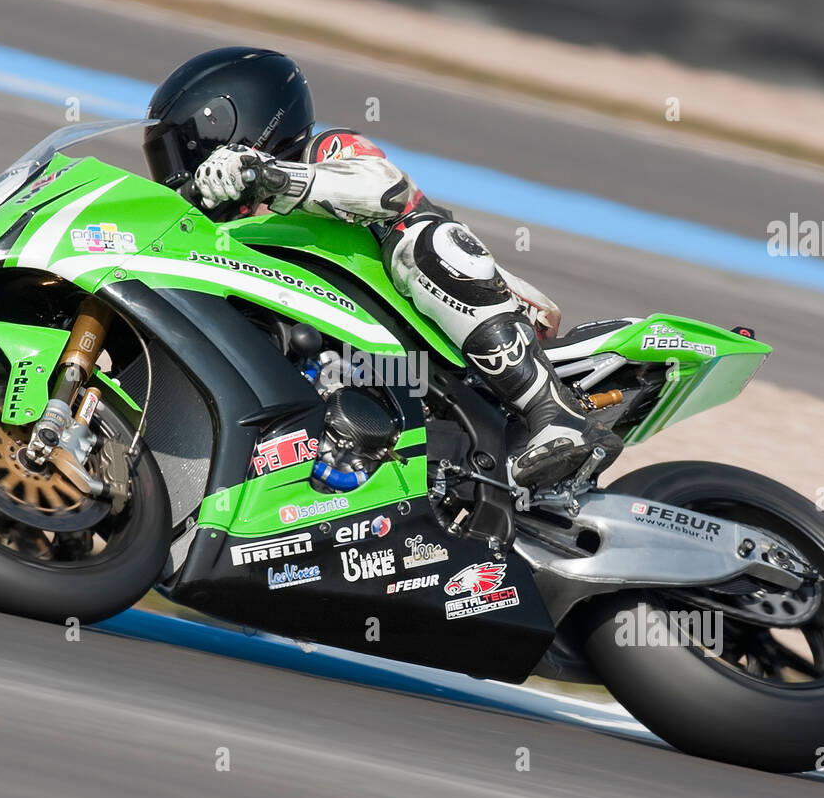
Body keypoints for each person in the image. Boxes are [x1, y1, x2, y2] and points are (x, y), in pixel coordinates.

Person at [142, 46, 621, 490]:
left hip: (455, 333)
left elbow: (385, 188)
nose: (176, 175)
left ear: (236, 125)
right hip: (361, 373)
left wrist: (265, 175)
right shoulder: (225, 236)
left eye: (182, 154)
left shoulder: (325, 152)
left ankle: (553, 413)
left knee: (426, 238)